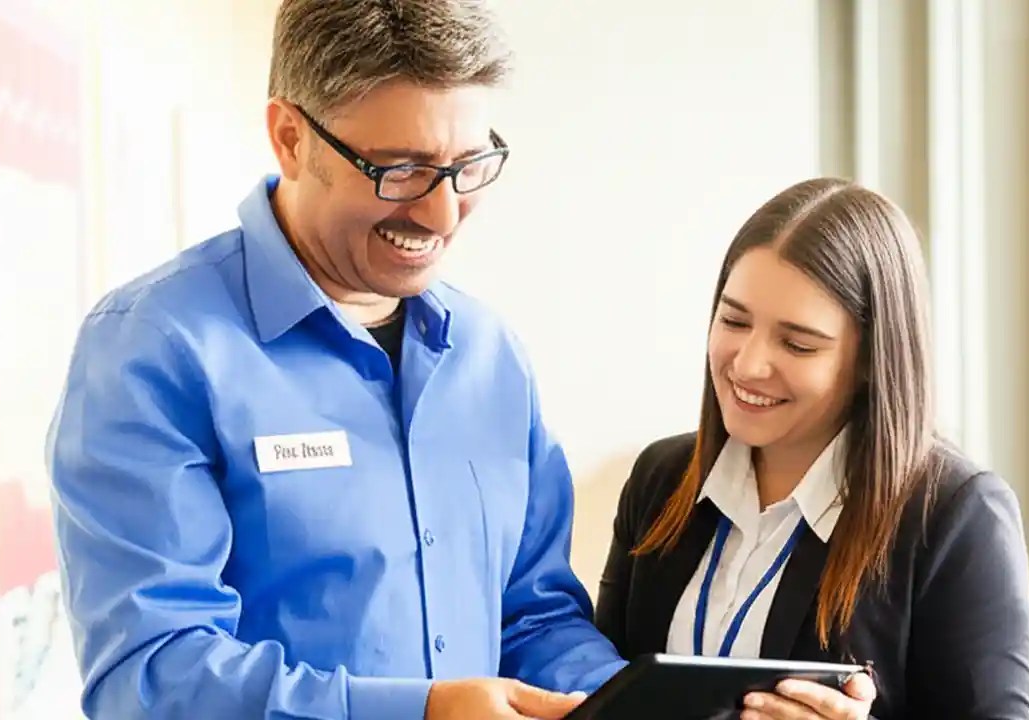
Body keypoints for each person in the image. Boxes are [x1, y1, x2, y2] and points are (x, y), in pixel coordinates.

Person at [45, 2, 625, 718]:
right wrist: (421, 711)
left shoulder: (492, 356)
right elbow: (152, 677)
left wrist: (652, 704)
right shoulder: (153, 345)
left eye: (468, 166)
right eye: (401, 169)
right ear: (290, 138)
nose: (443, 216)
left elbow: (535, 619)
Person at [594, 178, 1029, 719]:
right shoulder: (660, 480)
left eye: (797, 344)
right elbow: (605, 691)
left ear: (873, 359)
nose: (748, 365)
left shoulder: (954, 516)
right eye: (734, 320)